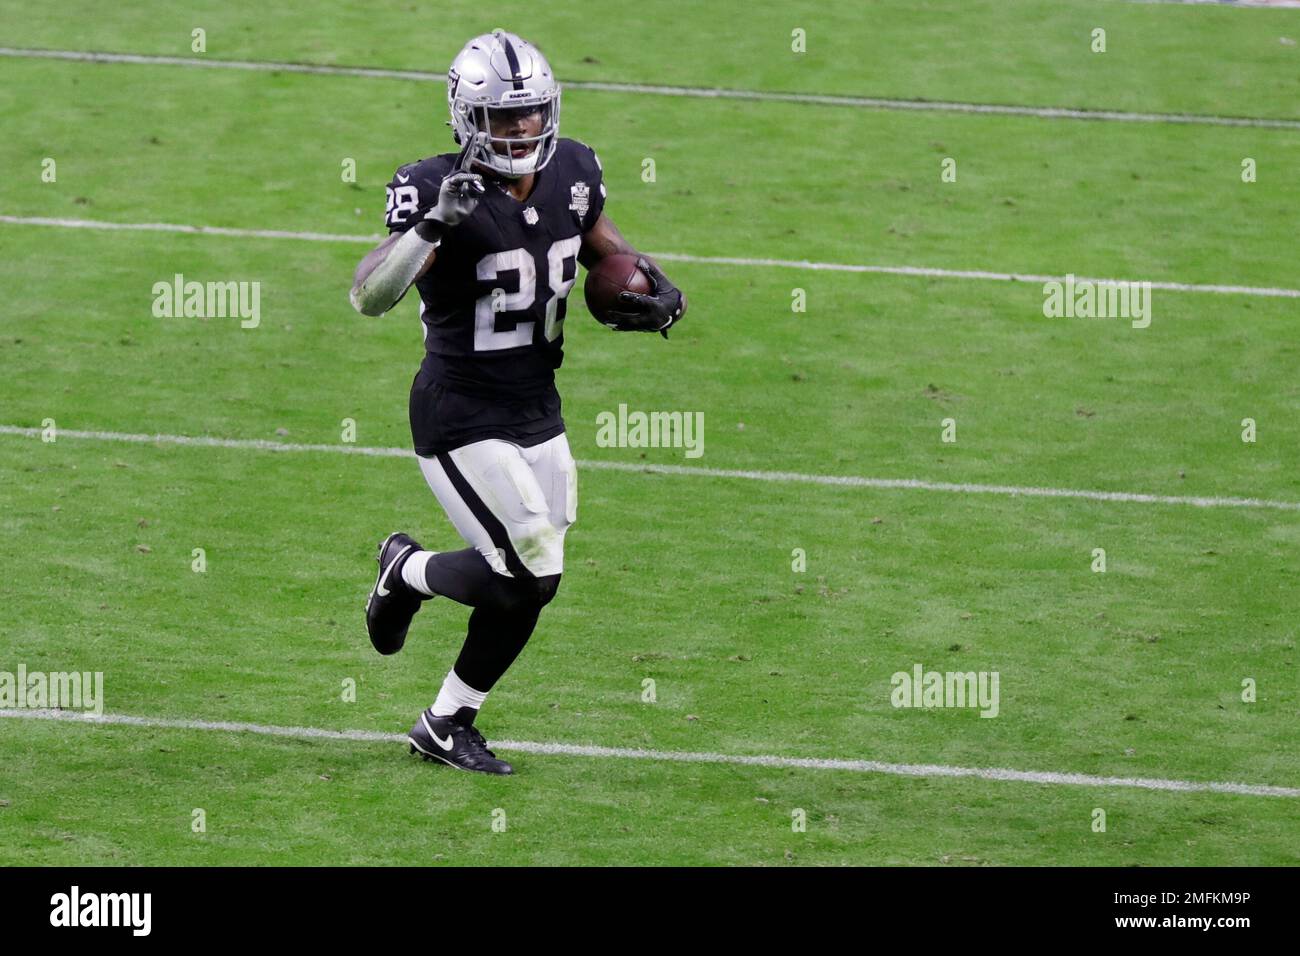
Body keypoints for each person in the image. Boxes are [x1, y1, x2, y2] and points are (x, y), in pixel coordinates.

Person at [349, 29, 687, 774]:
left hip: (536, 403)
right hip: (459, 410)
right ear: (469, 119)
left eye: (533, 113)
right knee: (529, 567)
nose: (524, 129)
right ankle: (404, 573)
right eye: (506, 118)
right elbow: (370, 295)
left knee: (535, 572)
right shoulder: (432, 183)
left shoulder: (574, 168)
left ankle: (445, 720)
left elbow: (604, 247)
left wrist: (649, 285)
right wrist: (435, 220)